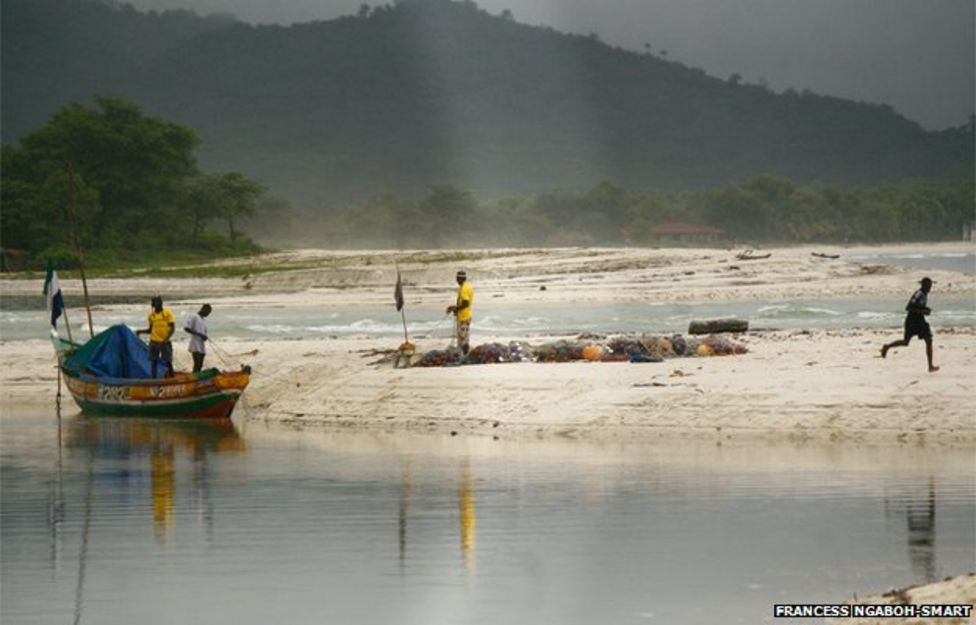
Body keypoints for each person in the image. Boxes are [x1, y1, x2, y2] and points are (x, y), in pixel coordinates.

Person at [881, 277, 939, 372]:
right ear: (923, 285)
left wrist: (925, 309)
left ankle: (930, 366)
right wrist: (923, 311)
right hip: (912, 320)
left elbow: (918, 306)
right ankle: (887, 346)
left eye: (931, 286)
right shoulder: (918, 294)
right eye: (928, 286)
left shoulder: (924, 294)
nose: (930, 288)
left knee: (929, 340)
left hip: (920, 320)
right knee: (905, 342)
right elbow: (908, 307)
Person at [136, 296, 175, 378]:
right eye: (155, 303)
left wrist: (166, 339)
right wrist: (140, 331)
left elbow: (172, 328)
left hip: (165, 342)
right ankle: (154, 380)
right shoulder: (151, 316)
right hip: (154, 342)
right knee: (154, 362)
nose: (157, 305)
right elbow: (150, 330)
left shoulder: (167, 313)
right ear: (153, 305)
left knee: (168, 361)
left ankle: (172, 378)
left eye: (159, 303)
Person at [446, 270, 474, 355]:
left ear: (459, 279)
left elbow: (466, 303)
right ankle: (463, 354)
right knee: (463, 337)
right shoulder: (467, 286)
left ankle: (465, 356)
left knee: (463, 338)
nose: (456, 280)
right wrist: (456, 309)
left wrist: (455, 308)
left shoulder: (464, 289)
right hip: (465, 315)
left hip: (464, 317)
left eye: (457, 278)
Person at [184, 304, 212, 373]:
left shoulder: (203, 320)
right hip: (195, 345)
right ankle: (194, 379)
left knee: (200, 365)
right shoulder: (194, 316)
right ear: (203, 309)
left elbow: (203, 333)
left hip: (201, 345)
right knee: (197, 363)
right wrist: (199, 334)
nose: (207, 315)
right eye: (207, 313)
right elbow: (187, 328)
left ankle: (197, 378)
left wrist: (205, 337)